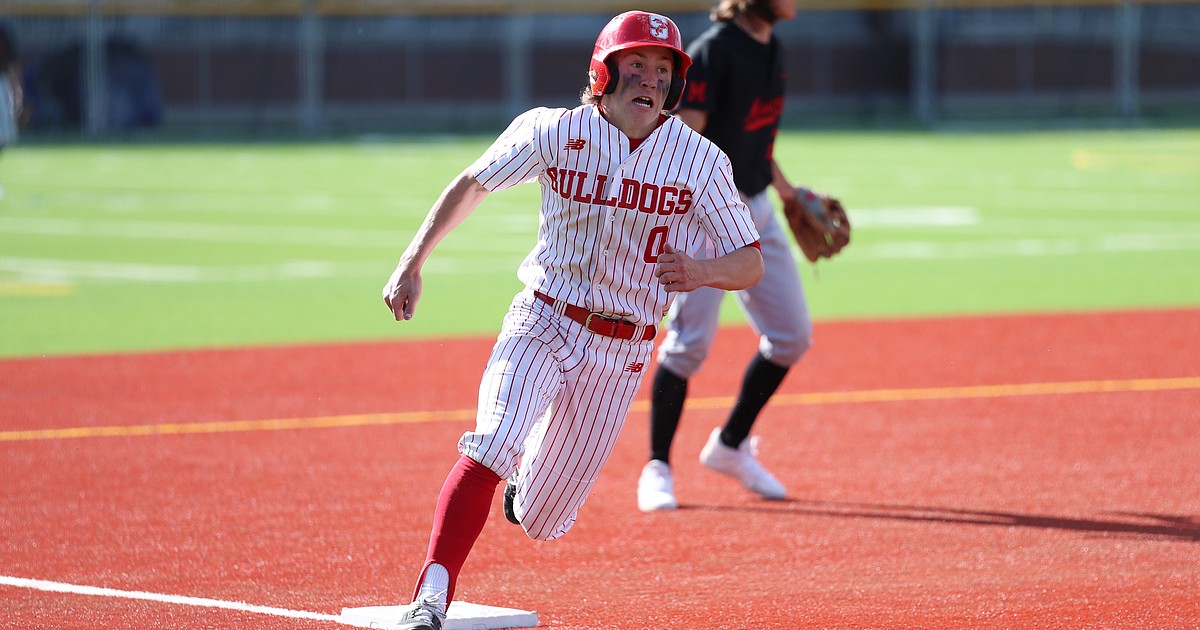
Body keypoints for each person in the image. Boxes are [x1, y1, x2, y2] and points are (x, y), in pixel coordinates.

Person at [380, 11, 764, 630]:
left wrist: (700, 272)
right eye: (637, 63)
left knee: (542, 518)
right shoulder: (553, 132)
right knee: (493, 444)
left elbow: (750, 262)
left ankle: (519, 490)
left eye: (663, 68)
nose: (651, 78)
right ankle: (431, 597)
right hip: (544, 317)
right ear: (604, 70)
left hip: (622, 350)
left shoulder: (698, 160)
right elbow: (473, 184)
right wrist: (412, 261)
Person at [636, 0, 821, 511]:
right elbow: (685, 139)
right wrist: (676, 216)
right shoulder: (712, 52)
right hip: (710, 211)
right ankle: (658, 466)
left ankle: (730, 446)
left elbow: (757, 139)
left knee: (791, 336)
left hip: (759, 206)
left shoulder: (773, 47)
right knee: (688, 345)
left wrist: (788, 193)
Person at [0, 24, 22, 199]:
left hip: (1, 84)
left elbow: (11, 63)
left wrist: (16, 87)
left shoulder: (3, 31)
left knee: (3, 136)